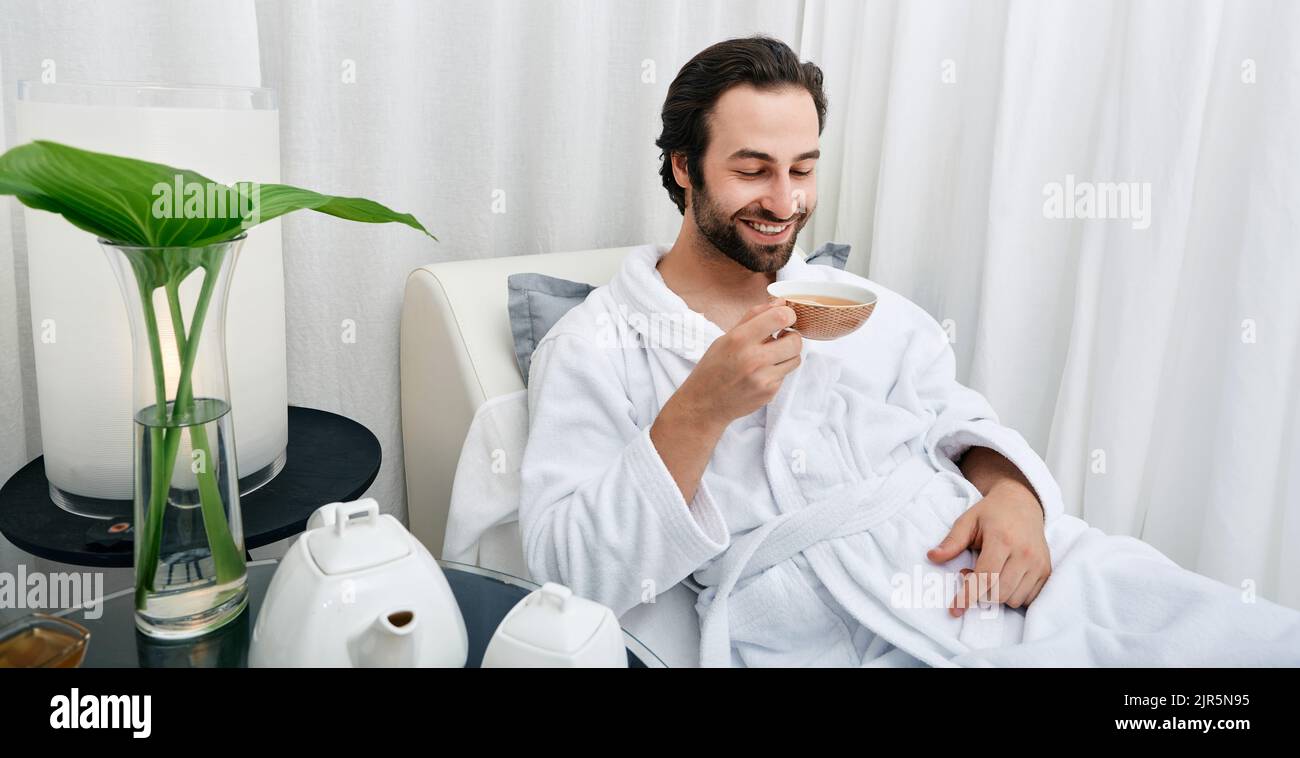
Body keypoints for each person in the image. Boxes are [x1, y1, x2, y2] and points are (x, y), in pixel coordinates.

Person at [518, 35, 1300, 666]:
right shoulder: (596, 344)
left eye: (803, 169)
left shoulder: (852, 304)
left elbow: (954, 416)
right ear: (685, 168)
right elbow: (570, 572)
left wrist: (1016, 499)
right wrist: (699, 411)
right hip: (832, 624)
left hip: (1022, 573)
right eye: (753, 171)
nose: (786, 203)